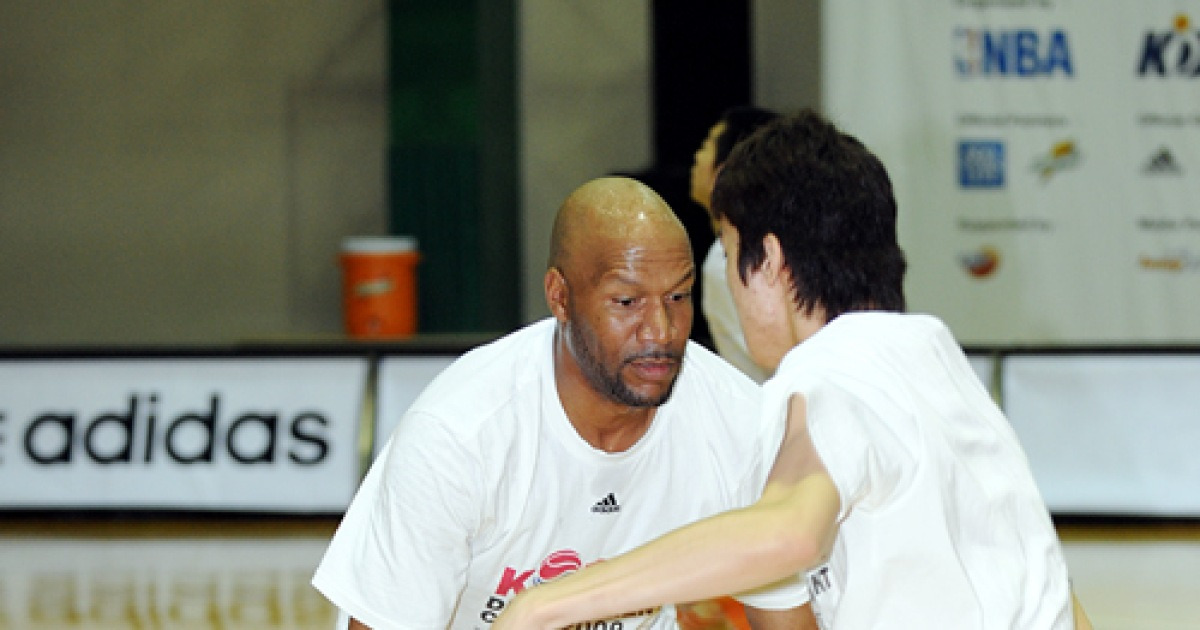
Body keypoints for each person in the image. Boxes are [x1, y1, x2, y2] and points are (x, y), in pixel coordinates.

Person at [490, 111, 1094, 629]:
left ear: (770, 261)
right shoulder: (942, 369)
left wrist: (546, 604)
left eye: (729, 254)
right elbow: (1055, 595)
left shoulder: (829, 371)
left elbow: (789, 534)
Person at [311, 176, 814, 630]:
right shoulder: (459, 435)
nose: (660, 330)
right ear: (560, 296)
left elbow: (787, 616)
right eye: (627, 302)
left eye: (677, 298)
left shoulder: (738, 420)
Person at [690, 106, 780, 383]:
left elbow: (773, 365)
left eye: (706, 145)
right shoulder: (736, 252)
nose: (696, 156)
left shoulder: (727, 259)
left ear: (724, 171)